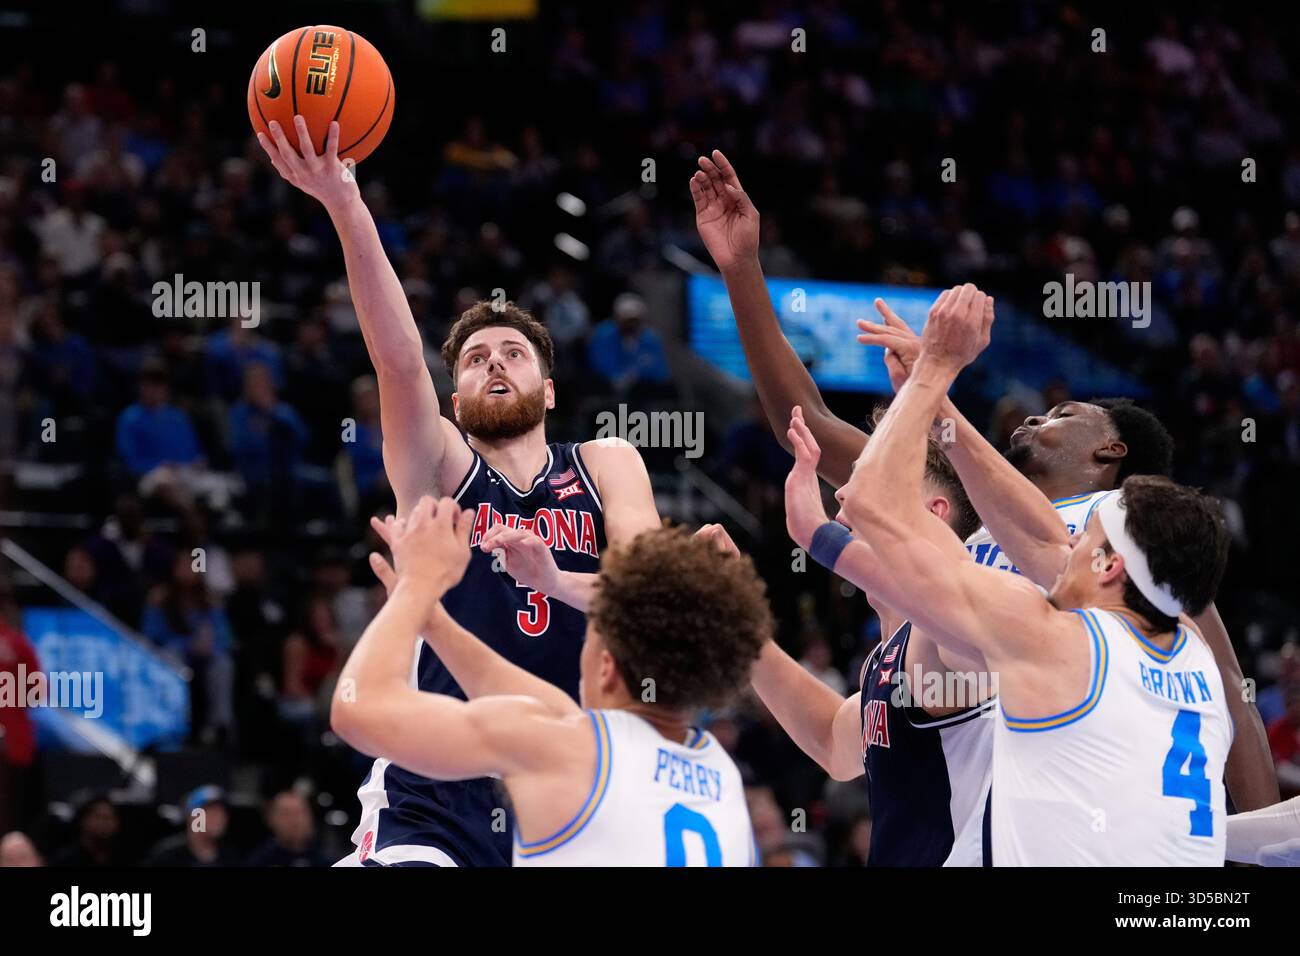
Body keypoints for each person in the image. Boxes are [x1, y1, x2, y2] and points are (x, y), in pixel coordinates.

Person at [690, 149, 1279, 813]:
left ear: (1111, 451)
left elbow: (1231, 695)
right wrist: (742, 270)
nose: (1035, 414)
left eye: (1063, 414)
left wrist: (1252, 857)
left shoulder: (1129, 543)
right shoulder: (967, 503)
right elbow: (811, 427)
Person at [258, 118, 661, 867]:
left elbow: (651, 595)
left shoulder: (607, 461)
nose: (495, 364)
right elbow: (400, 363)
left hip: (572, 783)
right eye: (475, 360)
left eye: (514, 354)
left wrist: (553, 579)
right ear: (456, 392)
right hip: (438, 780)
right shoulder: (440, 465)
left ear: (548, 389)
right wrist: (346, 204)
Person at [840, 285, 1233, 865]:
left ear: (1108, 563)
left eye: (1085, 544)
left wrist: (937, 370)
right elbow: (1041, 537)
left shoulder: (1055, 633)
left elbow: (871, 500)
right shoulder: (1190, 653)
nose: (1068, 548)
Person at [332, 498, 768, 866]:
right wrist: (431, 618)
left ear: (606, 666)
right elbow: (506, 685)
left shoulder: (567, 750)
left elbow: (356, 709)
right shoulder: (720, 771)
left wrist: (416, 587)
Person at [756, 405, 995, 865]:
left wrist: (817, 537)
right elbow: (831, 739)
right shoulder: (889, 653)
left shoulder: (943, 637)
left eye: (872, 481)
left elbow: (951, 588)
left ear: (933, 514)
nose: (843, 493)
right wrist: (740, 628)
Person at [144, 785, 239, 867]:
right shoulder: (168, 855)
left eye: (222, 814)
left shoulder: (230, 857)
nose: (219, 820)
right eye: (211, 814)